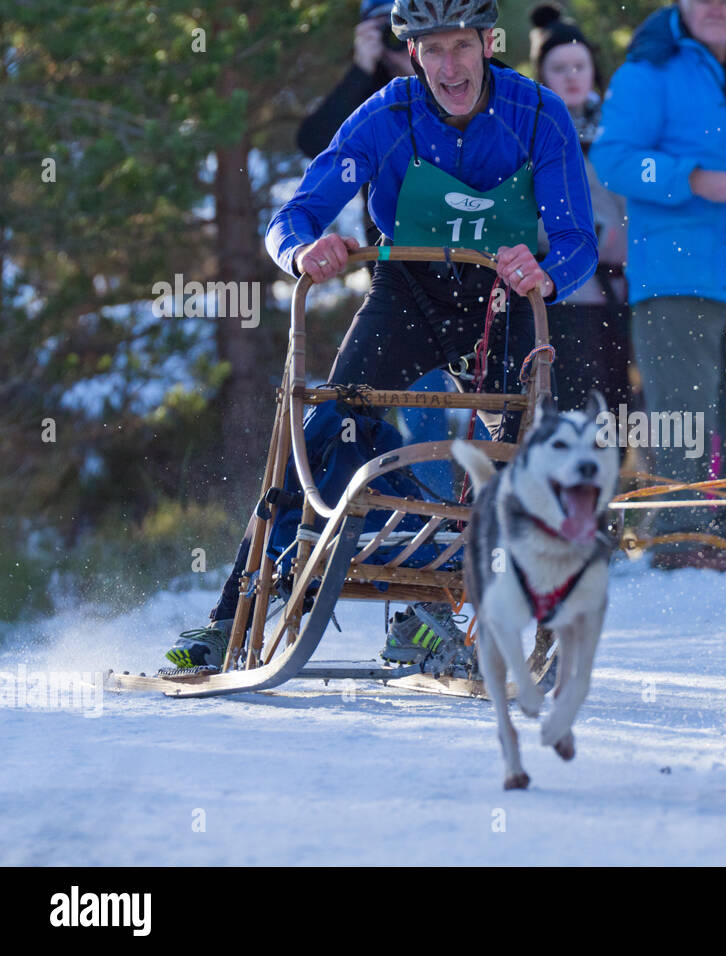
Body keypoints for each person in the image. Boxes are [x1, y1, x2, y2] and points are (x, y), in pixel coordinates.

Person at [165, 0, 597, 672]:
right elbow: (294, 217)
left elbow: (578, 243)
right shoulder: (388, 115)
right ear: (412, 52)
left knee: (511, 443)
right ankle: (235, 614)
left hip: (504, 302)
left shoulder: (537, 114)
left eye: (461, 46)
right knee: (331, 425)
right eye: (432, 50)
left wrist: (544, 269)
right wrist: (305, 253)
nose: (449, 67)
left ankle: (436, 612)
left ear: (489, 41)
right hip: (410, 295)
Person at [590, 0, 726, 571]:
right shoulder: (646, 70)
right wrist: (691, 178)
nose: (717, 6)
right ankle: (676, 545)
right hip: (675, 279)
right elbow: (614, 158)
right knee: (682, 417)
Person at [529, 2, 631, 413]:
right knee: (573, 409)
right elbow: (522, 213)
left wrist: (623, 235)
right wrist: (582, 236)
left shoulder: (619, 130)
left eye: (579, 65)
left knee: (619, 411)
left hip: (619, 294)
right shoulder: (532, 132)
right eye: (559, 68)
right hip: (563, 298)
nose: (571, 76)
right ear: (541, 75)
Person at [297, 2, 416, 251]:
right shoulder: (365, 91)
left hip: (464, 247)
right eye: (387, 26)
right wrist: (361, 67)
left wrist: (418, 68)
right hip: (387, 258)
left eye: (403, 24)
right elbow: (313, 142)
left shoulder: (455, 77)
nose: (395, 34)